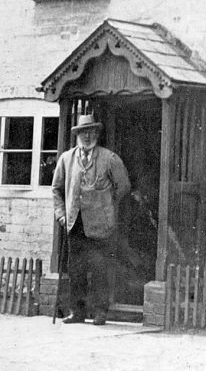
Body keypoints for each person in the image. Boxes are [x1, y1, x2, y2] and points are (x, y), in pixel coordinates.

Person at [52, 113, 131, 325]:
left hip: (100, 225)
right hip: (74, 223)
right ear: (77, 135)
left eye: (91, 132)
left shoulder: (110, 158)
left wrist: (107, 206)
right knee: (76, 269)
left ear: (96, 133)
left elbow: (123, 186)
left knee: (100, 269)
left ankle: (99, 312)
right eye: (82, 132)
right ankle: (77, 312)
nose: (87, 136)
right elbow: (56, 190)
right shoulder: (66, 159)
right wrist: (61, 214)